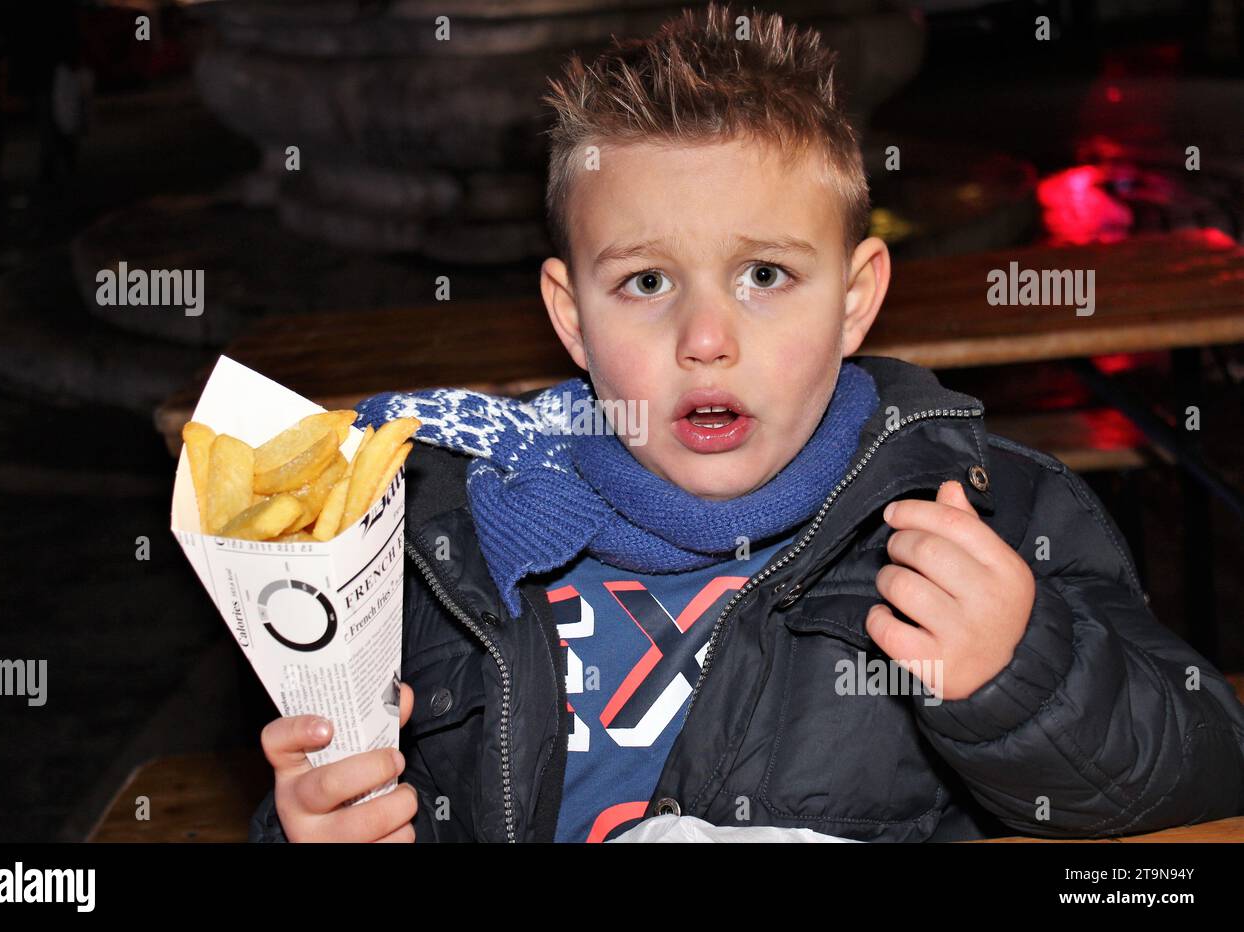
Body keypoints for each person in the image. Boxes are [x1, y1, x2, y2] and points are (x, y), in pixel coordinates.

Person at [251, 2, 1244, 843]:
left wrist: (1020, 671)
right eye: (645, 281)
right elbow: (341, 789)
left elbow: (1205, 767)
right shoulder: (438, 541)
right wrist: (315, 820)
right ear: (571, 316)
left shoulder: (981, 510)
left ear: (853, 298)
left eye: (764, 274)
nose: (706, 337)